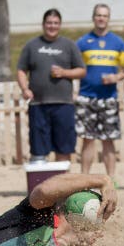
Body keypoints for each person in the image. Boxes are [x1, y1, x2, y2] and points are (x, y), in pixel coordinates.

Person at [17, 9, 86, 162]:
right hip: (38, 105)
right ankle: (43, 184)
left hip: (64, 105)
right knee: (39, 150)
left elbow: (81, 71)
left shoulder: (68, 45)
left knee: (64, 148)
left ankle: (63, 185)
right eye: (49, 23)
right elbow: (21, 69)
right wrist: (25, 89)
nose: (52, 26)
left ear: (60, 25)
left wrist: (64, 73)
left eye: (55, 23)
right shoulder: (32, 45)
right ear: (43, 24)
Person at [75, 4, 124, 181]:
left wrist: (116, 78)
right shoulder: (82, 42)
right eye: (98, 15)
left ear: (108, 18)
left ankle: (111, 179)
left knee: (108, 140)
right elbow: (74, 67)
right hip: (86, 97)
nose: (101, 18)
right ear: (93, 18)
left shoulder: (118, 43)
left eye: (104, 16)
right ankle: (84, 179)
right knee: (88, 140)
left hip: (109, 98)